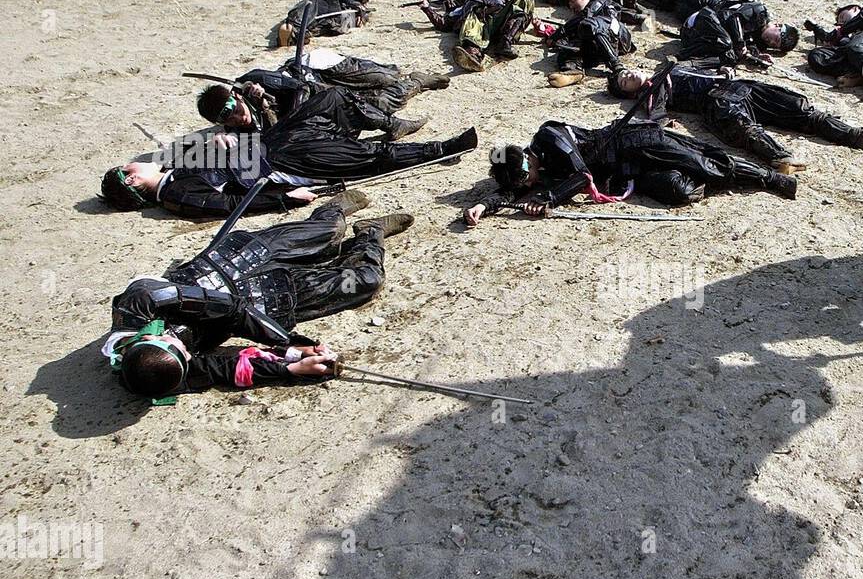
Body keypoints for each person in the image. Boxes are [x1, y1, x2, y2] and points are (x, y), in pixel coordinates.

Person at [102, 191, 410, 402]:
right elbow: (222, 370)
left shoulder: (139, 301)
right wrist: (290, 368)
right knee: (365, 281)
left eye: (178, 348)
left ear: (147, 338)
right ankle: (370, 234)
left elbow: (230, 310)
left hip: (238, 260)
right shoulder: (165, 373)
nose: (186, 349)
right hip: (269, 299)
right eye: (186, 355)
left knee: (327, 231)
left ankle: (333, 210)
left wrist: (291, 344)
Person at [100, 88, 477, 217]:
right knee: (367, 156)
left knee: (330, 99)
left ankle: (388, 121)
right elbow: (232, 204)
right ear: (133, 179)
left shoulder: (170, 168)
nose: (136, 161)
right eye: (128, 166)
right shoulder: (177, 195)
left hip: (271, 141)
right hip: (280, 165)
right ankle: (441, 149)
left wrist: (214, 144)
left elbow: (191, 146)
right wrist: (284, 199)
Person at [460, 117, 798, 225]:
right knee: (678, 191)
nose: (530, 184)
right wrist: (484, 206)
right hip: (626, 173)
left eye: (528, 179)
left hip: (635, 142)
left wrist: (547, 197)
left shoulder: (549, 135)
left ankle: (772, 179)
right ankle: (714, 178)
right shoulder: (532, 170)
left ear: (526, 162)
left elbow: (581, 178)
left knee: (705, 164)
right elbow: (512, 192)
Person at [608, 62, 863, 172]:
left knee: (798, 108)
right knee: (743, 127)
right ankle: (779, 158)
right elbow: (656, 116)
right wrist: (660, 121)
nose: (628, 75)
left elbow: (709, 62)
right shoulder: (652, 92)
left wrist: (726, 64)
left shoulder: (669, 67)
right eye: (623, 82)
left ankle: (855, 136)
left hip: (740, 85)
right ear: (629, 93)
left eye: (625, 72)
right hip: (716, 100)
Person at [209, 49, 449, 131]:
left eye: (232, 109)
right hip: (326, 101)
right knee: (385, 103)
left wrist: (288, 120)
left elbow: (300, 88)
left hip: (317, 69)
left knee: (385, 76)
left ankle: (400, 75)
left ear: (236, 95)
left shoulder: (254, 81)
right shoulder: (245, 130)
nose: (236, 118)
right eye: (227, 119)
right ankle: (417, 81)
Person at [418, 0, 539, 73]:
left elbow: (513, 1)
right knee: (472, 16)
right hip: (480, 30)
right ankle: (472, 55)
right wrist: (427, 8)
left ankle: (505, 43)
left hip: (502, 24)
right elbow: (443, 24)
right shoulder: (461, 10)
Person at [546, 0, 639, 87]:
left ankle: (617, 67)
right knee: (568, 50)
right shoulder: (581, 23)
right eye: (570, 6)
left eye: (573, 1)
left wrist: (557, 34)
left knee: (588, 25)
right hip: (600, 47)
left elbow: (586, 15)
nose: (572, 6)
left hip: (618, 38)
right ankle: (573, 72)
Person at [804, 1, 863, 99]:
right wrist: (817, 29)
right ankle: (857, 75)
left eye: (842, 16)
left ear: (854, 8)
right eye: (839, 21)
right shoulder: (849, 32)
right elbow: (833, 39)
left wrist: (840, 31)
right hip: (855, 51)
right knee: (817, 55)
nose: (841, 21)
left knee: (855, 47)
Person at [680, 0, 799, 68]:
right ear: (778, 26)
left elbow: (745, 51)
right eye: (776, 39)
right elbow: (733, 17)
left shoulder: (758, 38)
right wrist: (740, 43)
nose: (771, 42)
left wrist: (757, 57)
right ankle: (680, 56)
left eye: (774, 45)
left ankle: (692, 63)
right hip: (699, 21)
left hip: (696, 38)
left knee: (731, 57)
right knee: (726, 43)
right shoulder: (759, 11)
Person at [277, 0, 371, 47]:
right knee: (305, 10)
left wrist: (361, 14)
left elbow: (364, 15)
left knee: (318, 24)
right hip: (319, 3)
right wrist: (352, 2)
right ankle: (292, 32)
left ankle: (294, 36)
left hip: (332, 18)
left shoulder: (358, 9)